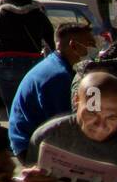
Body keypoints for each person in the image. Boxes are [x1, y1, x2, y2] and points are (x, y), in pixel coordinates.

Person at [8, 23, 95, 161]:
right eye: (90, 44)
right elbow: (65, 124)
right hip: (30, 147)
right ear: (73, 46)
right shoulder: (59, 77)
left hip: (33, 138)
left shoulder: (58, 65)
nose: (95, 49)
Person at [0, 0, 55, 115]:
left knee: (12, 104)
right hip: (33, 61)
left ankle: (15, 132)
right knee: (32, 102)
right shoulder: (38, 14)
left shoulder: (1, 16)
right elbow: (51, 38)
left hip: (7, 63)